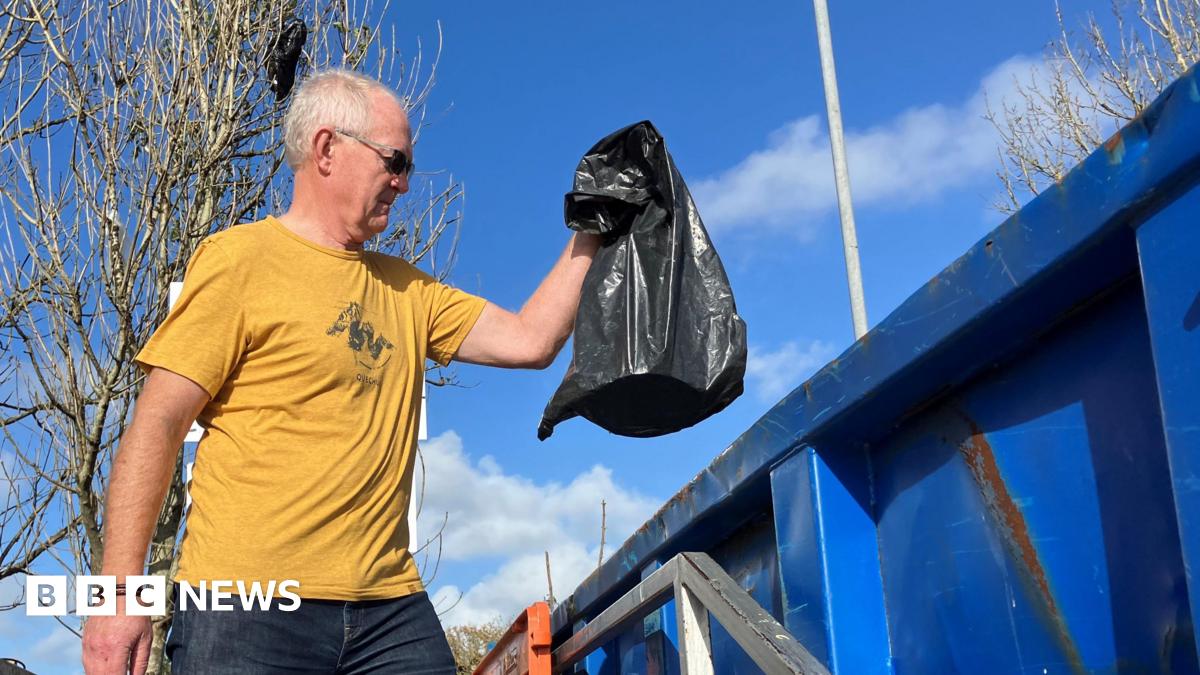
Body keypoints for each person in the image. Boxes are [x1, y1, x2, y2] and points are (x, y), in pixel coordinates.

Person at [81, 68, 600, 674]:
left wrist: (594, 225)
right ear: (327, 148)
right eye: (396, 160)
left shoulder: (409, 290)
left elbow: (531, 339)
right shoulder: (237, 262)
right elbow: (158, 423)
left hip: (390, 612)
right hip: (244, 609)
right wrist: (119, 596)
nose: (404, 184)